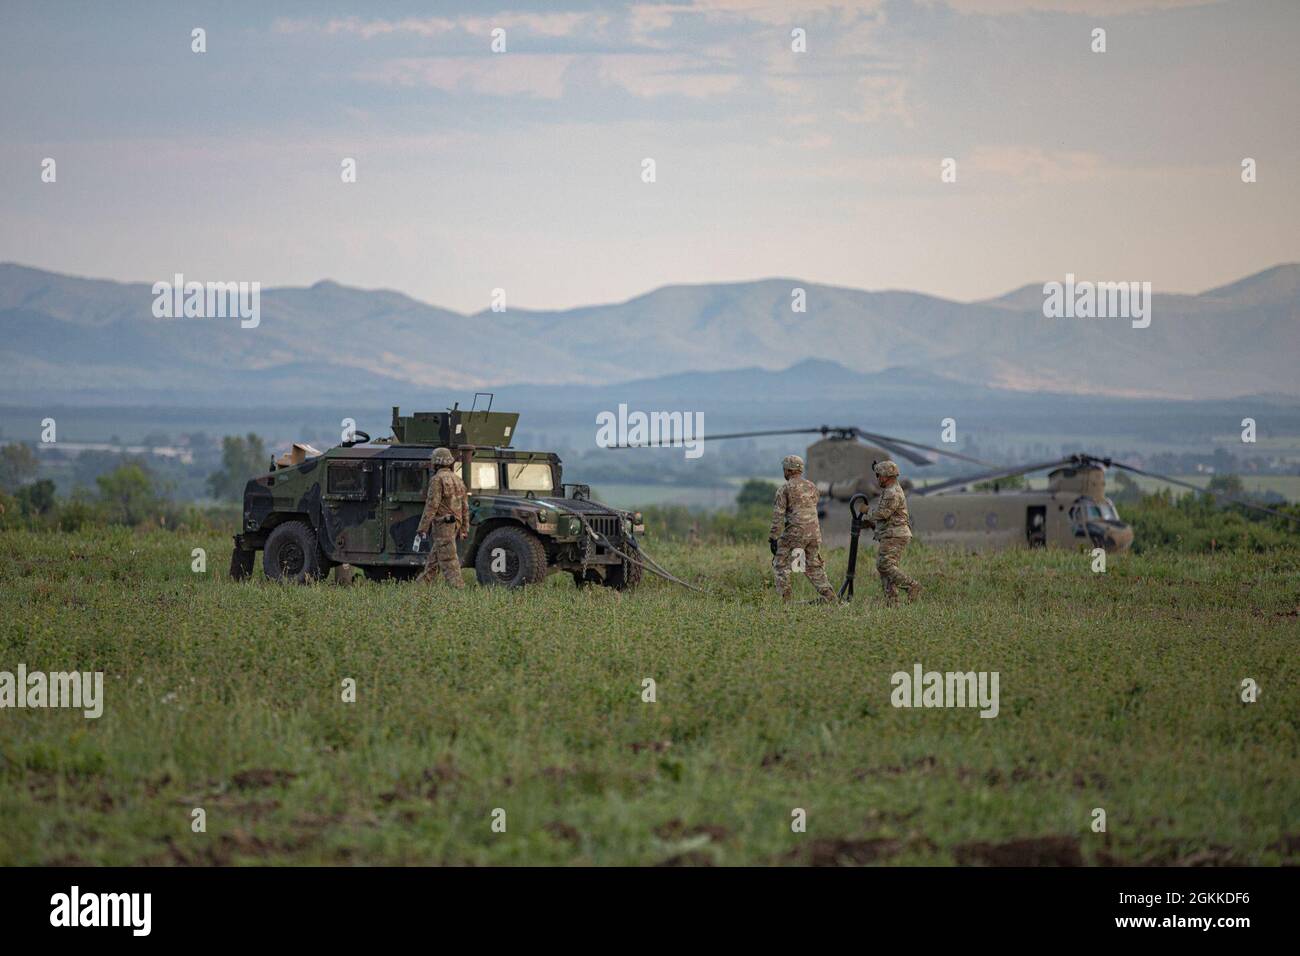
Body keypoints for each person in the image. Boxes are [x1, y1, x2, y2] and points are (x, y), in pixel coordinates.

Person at [769, 454, 837, 604]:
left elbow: (778, 515)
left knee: (780, 564)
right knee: (813, 567)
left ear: (787, 470)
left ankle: (785, 603)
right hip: (814, 534)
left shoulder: (784, 489)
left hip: (795, 532)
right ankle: (831, 599)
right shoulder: (812, 487)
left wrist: (773, 537)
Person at [864, 459, 921, 605]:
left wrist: (866, 511)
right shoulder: (891, 490)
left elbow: (883, 513)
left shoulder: (891, 492)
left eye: (878, 475)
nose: (877, 479)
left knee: (884, 565)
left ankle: (911, 585)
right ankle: (891, 601)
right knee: (886, 568)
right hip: (891, 533)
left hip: (895, 534)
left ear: (886, 476)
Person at [415, 446, 469, 587]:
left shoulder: (437, 480)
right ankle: (422, 586)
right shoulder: (458, 480)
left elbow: (432, 505)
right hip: (455, 523)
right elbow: (465, 507)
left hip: (443, 524)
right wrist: (464, 528)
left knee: (448, 559)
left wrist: (423, 527)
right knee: (435, 558)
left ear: (436, 463)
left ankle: (458, 588)